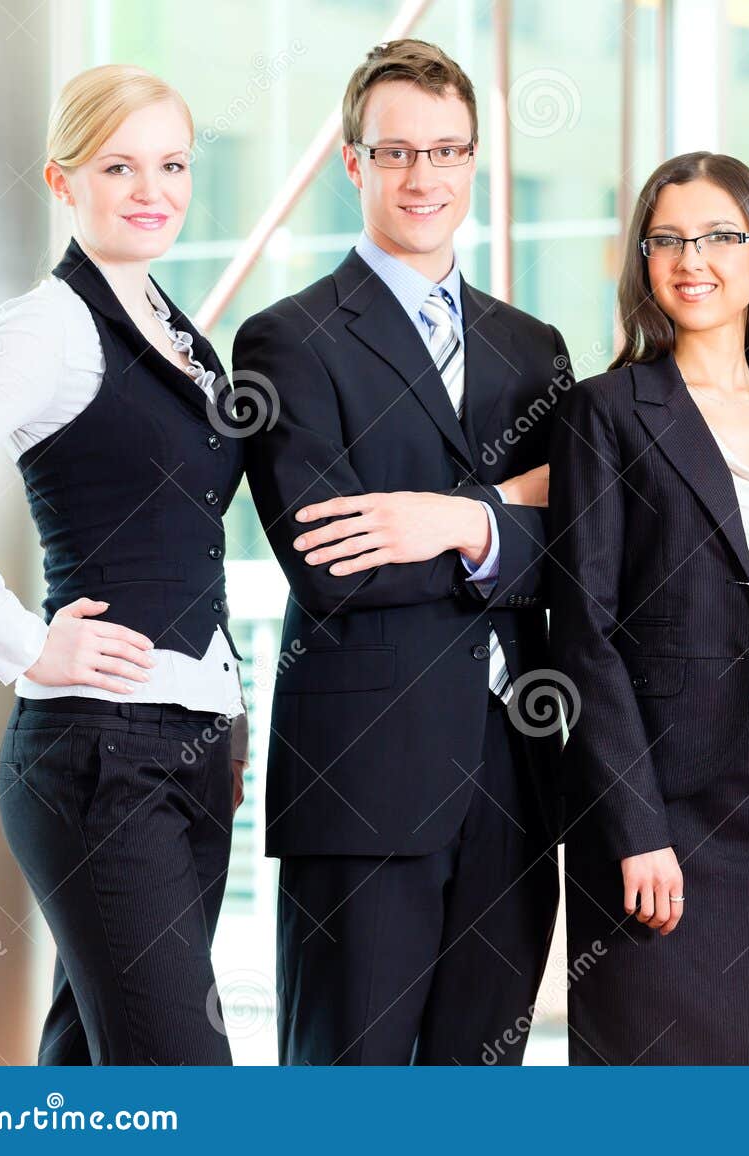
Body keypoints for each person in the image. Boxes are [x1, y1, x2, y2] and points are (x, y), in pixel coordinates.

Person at [0, 64, 249, 1064]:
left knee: (94, 1067)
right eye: (118, 166)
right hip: (102, 757)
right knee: (183, 1080)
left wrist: (225, 700)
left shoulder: (175, 329)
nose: (152, 190)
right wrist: (25, 646)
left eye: (172, 164)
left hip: (193, 745)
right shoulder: (48, 326)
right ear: (63, 181)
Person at [236, 39, 564, 1065]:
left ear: (474, 160)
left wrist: (453, 520)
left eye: (446, 150)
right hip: (364, 781)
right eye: (396, 152)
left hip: (516, 778)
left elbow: (582, 549)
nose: (424, 176)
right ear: (353, 162)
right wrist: (503, 515)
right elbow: (334, 565)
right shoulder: (287, 341)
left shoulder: (534, 349)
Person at [549, 151, 749, 1065]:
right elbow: (584, 634)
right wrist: (636, 826)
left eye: (720, 236)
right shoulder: (606, 412)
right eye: (668, 240)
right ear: (644, 263)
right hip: (656, 790)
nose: (693, 260)